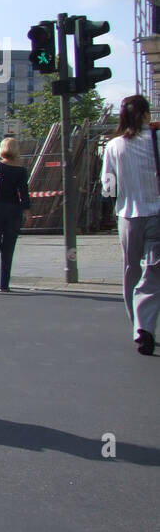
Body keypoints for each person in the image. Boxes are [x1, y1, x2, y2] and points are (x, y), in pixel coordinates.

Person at [101, 95, 160, 355]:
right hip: (156, 214)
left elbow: (108, 186)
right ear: (146, 114)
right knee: (152, 272)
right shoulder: (157, 139)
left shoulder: (113, 146)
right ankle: (145, 324)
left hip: (127, 215)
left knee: (130, 269)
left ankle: (136, 325)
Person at [0, 138, 32, 292]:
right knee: (9, 248)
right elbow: (24, 193)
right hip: (14, 211)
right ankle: (4, 285)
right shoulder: (21, 170)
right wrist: (27, 211)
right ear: (16, 150)